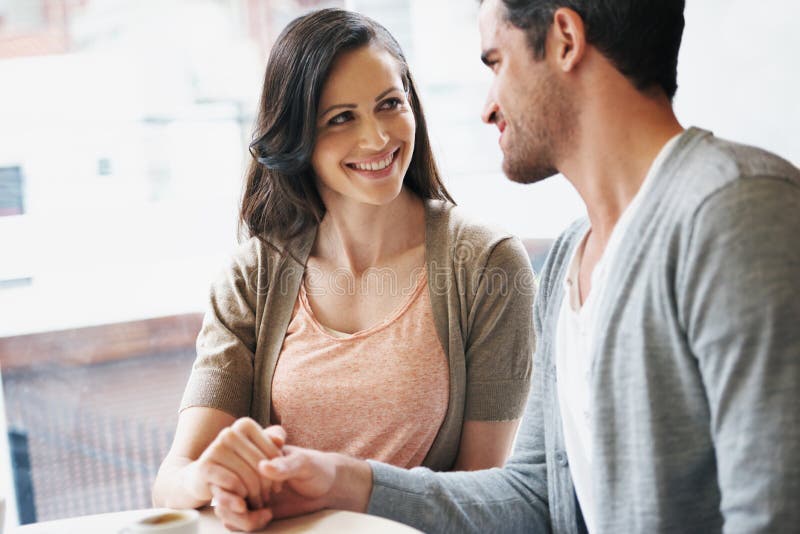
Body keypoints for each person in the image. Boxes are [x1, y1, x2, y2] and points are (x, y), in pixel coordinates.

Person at [254, 0, 800, 532]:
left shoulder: (737, 211)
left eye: (496, 62)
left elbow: (773, 512)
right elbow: (536, 495)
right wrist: (344, 481)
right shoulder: (569, 257)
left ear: (565, 39)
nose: (488, 106)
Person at [151, 7, 537, 532]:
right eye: (341, 118)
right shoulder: (253, 279)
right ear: (297, 139)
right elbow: (172, 479)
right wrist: (211, 478)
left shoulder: (487, 266)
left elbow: (482, 496)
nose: (377, 138)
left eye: (389, 105)